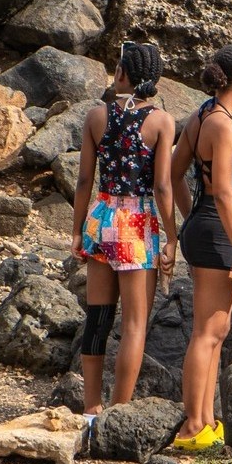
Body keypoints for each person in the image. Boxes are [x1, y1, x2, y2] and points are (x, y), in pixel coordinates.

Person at [70, 41, 176, 424]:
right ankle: (118, 413)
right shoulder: (161, 122)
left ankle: (90, 409)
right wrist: (172, 236)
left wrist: (77, 230)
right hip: (136, 223)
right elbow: (162, 186)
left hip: (101, 216)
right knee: (134, 324)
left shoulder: (96, 117)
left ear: (122, 74)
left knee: (98, 317)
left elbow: (84, 180)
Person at [168, 46, 232, 452]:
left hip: (205, 226)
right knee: (207, 332)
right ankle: (192, 426)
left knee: (217, 330)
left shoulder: (202, 113)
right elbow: (223, 191)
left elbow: (174, 174)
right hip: (218, 231)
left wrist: (191, 219)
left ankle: (206, 421)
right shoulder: (222, 124)